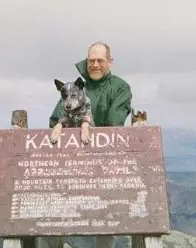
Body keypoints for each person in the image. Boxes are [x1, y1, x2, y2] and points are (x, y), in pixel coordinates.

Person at [46, 42, 132, 248]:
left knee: (105, 220)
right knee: (53, 219)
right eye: (91, 61)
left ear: (109, 62)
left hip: (104, 164)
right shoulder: (72, 87)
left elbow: (115, 124)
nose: (94, 65)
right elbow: (55, 120)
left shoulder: (120, 87)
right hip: (71, 164)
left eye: (100, 60)